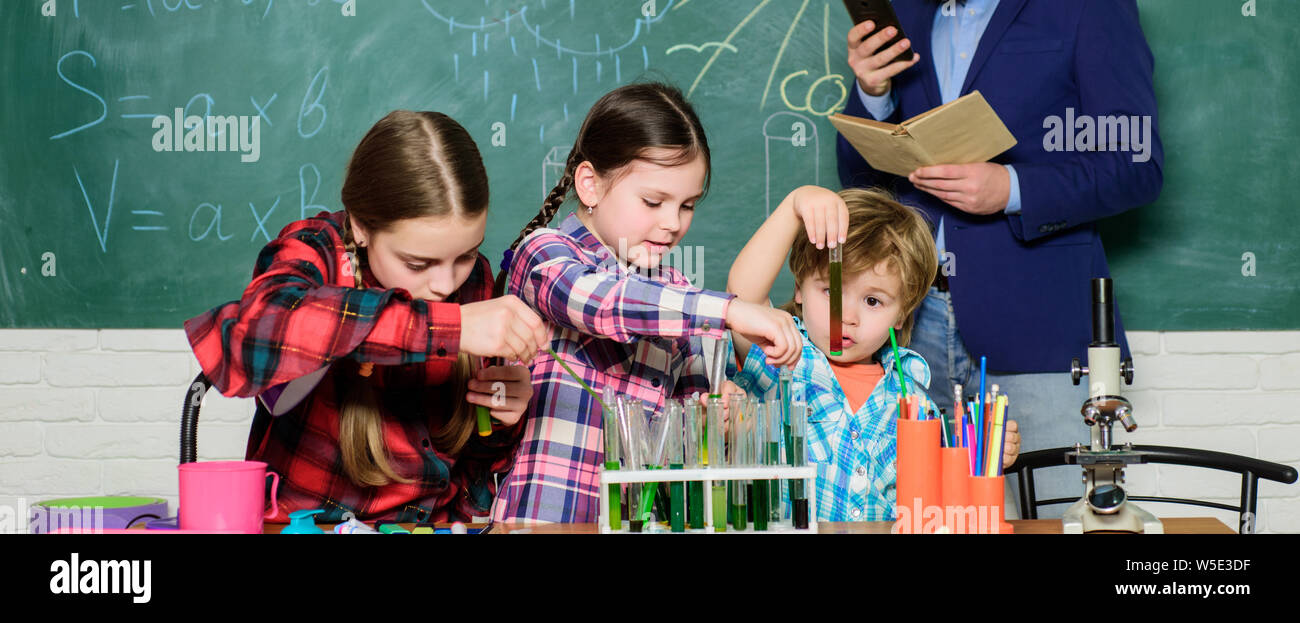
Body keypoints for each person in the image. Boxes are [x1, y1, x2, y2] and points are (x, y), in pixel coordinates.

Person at [838, 0, 1162, 514]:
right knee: (907, 519)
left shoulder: (1091, 8)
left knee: (1059, 520)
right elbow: (864, 182)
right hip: (905, 327)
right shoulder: (904, 13)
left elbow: (1136, 161)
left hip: (1040, 328)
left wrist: (1012, 188)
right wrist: (872, 96)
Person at [184, 110, 549, 522]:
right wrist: (451, 326)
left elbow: (474, 462)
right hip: (302, 527)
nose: (445, 284)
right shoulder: (316, 251)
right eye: (417, 263)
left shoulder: (476, 280)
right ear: (360, 225)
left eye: (465, 255)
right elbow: (256, 336)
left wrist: (503, 417)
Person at [490, 82, 803, 523]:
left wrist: (720, 418)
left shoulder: (679, 295)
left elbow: (693, 439)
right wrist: (732, 310)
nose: (673, 223)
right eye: (653, 201)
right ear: (590, 184)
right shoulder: (544, 254)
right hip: (546, 519)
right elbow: (602, 303)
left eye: (688, 205)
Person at [728, 185, 1020, 521]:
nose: (846, 316)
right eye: (829, 290)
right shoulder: (781, 353)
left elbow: (934, 504)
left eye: (872, 301)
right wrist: (795, 205)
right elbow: (742, 296)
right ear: (799, 289)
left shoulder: (912, 398)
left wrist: (982, 454)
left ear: (901, 314)